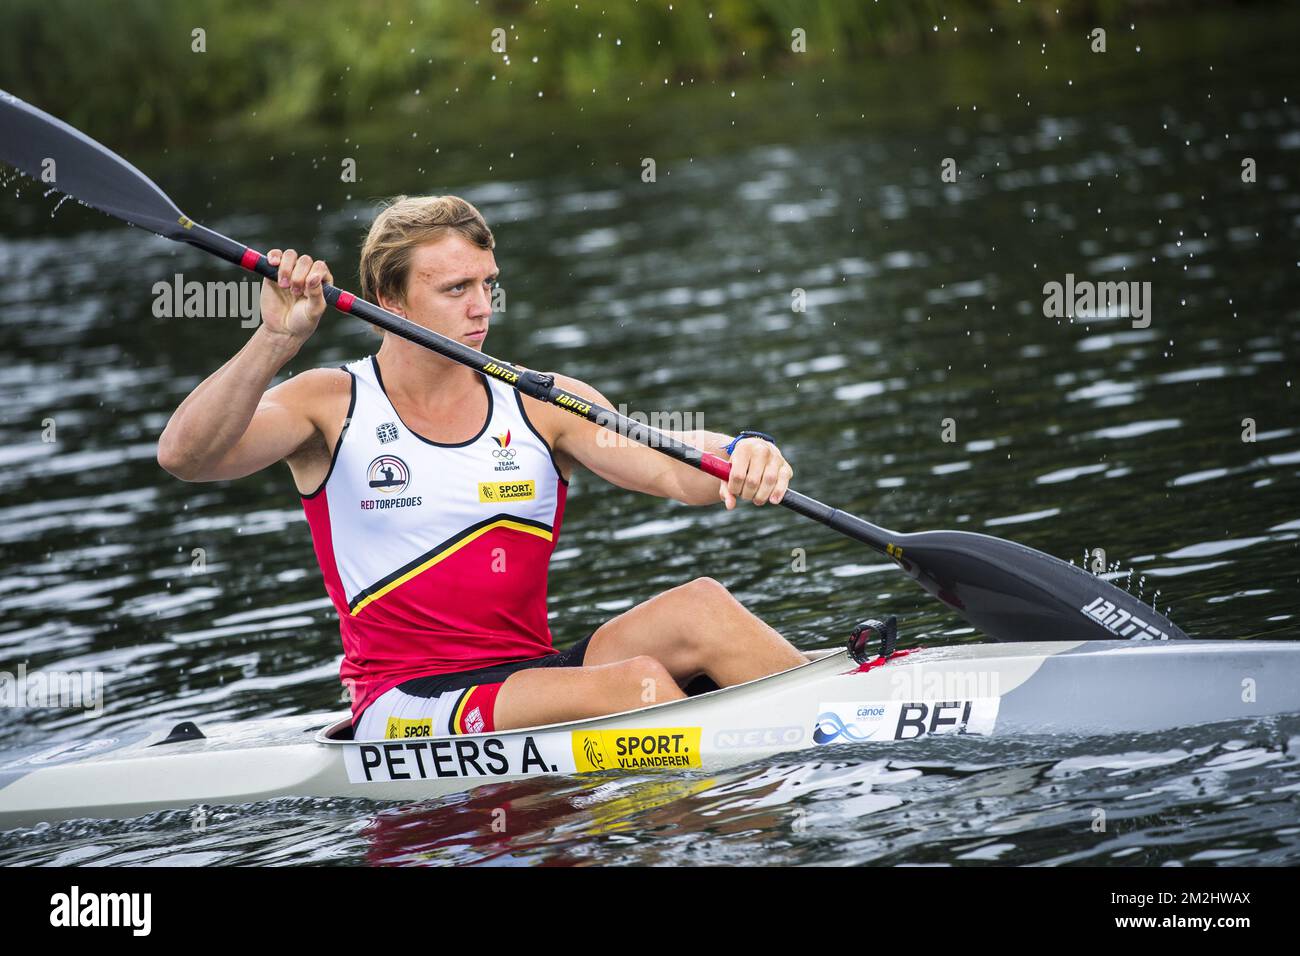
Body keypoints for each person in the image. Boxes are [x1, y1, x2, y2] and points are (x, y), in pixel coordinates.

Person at [157, 195, 807, 739]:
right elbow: (186, 456)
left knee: (702, 608)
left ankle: (833, 720)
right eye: (456, 288)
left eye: (487, 285)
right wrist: (277, 339)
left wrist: (746, 448)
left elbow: (673, 469)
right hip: (405, 702)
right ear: (391, 299)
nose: (482, 307)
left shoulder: (541, 401)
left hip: (529, 675)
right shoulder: (329, 405)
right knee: (635, 690)